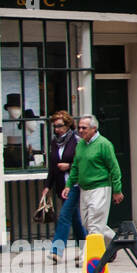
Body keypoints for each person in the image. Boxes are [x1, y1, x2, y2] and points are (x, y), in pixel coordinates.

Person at [64, 115, 124, 240]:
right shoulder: (80, 144)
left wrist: (117, 190)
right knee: (87, 223)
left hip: (100, 188)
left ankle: (91, 257)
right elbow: (76, 166)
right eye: (79, 128)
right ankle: (114, 242)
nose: (80, 131)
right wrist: (69, 184)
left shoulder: (104, 144)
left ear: (94, 128)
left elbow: (114, 168)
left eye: (84, 128)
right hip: (84, 189)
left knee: (94, 225)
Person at [46, 110, 84, 262]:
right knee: (75, 219)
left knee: (64, 216)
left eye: (60, 126)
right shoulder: (54, 142)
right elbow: (52, 166)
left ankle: (56, 251)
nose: (57, 129)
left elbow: (82, 163)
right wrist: (47, 186)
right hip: (62, 186)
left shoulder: (77, 140)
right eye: (54, 126)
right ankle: (87, 248)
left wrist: (68, 166)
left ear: (68, 125)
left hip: (75, 184)